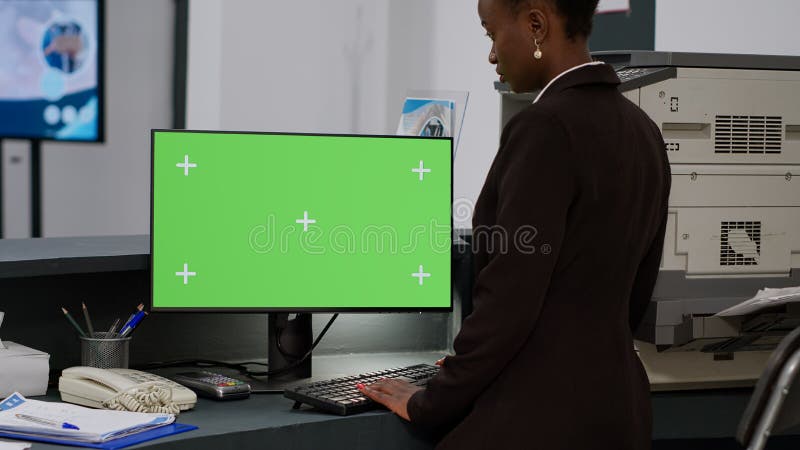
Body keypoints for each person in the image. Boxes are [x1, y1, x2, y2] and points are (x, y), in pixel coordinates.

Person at [359, 0, 671, 448]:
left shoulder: (544, 128)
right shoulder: (643, 130)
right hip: (619, 413)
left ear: (536, 24)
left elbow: (508, 300)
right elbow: (633, 297)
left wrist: (431, 400)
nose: (491, 54)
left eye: (491, 34)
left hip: (538, 418)